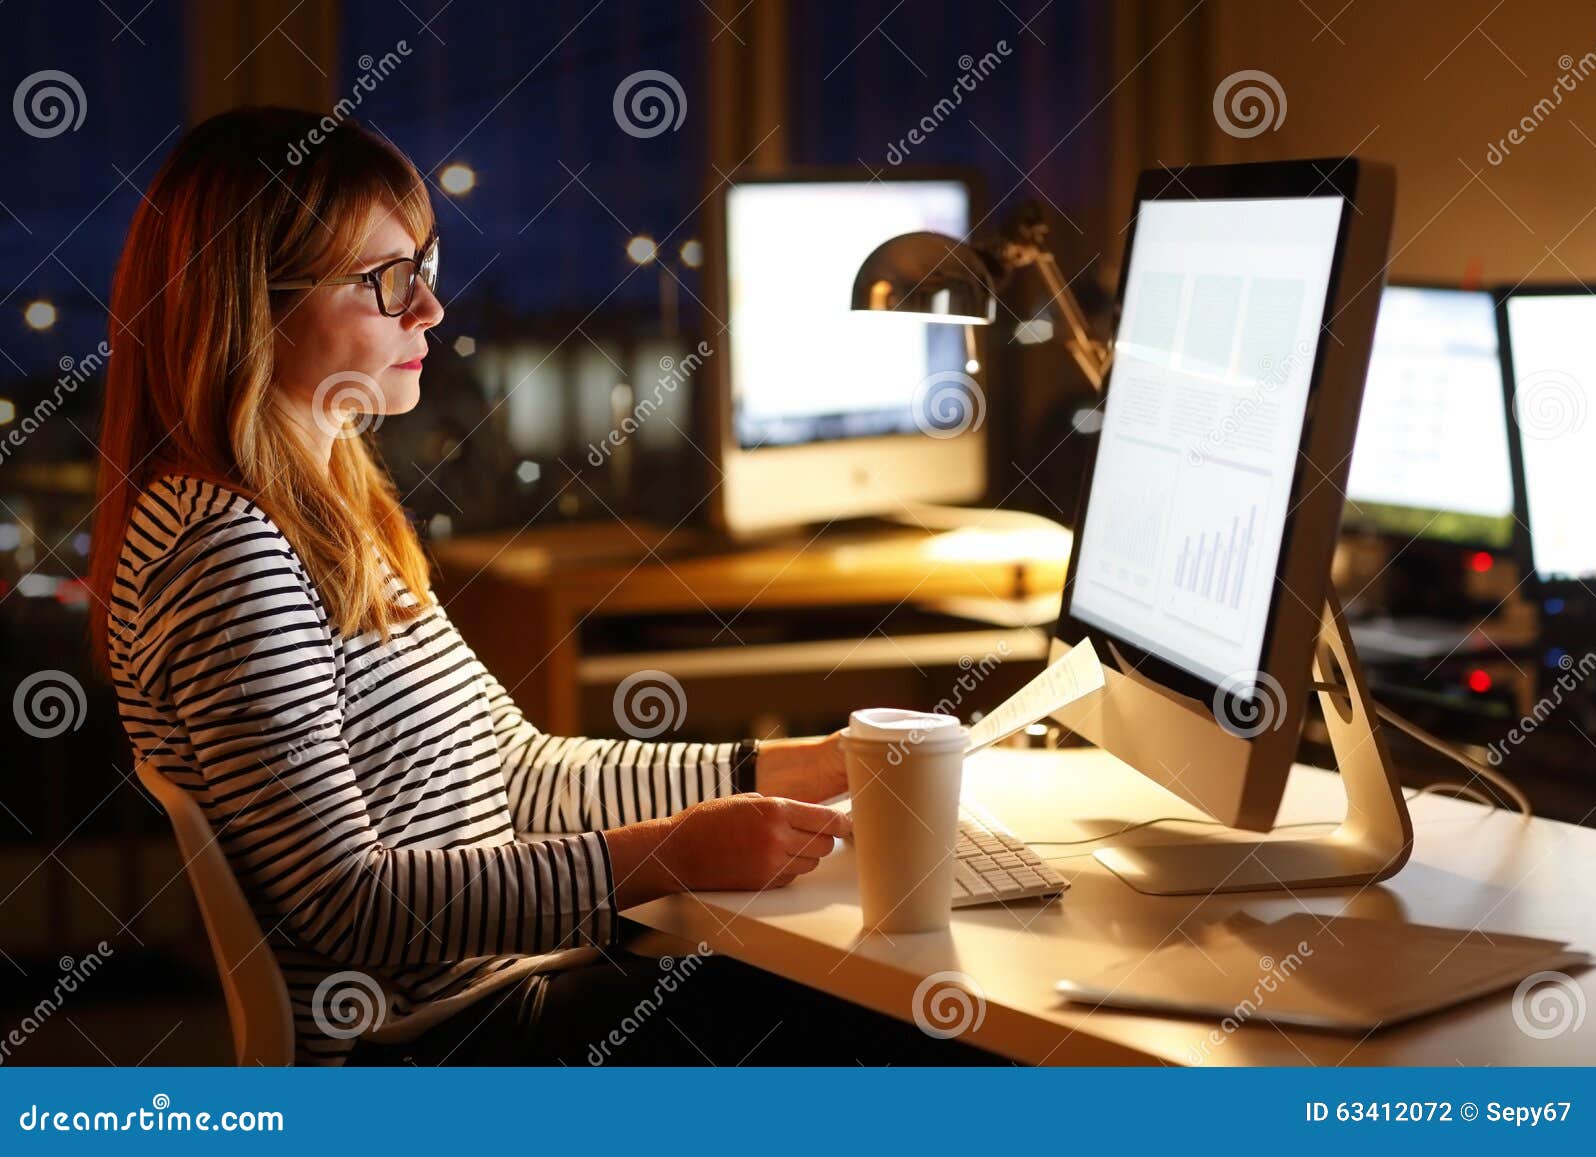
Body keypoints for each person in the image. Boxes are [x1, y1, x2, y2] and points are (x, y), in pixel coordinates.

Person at [86, 107, 997, 1067]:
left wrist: (780, 768)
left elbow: (510, 772)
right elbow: (346, 904)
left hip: (497, 1000)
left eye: (424, 272)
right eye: (386, 281)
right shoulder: (226, 549)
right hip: (439, 1050)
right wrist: (672, 853)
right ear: (251, 305)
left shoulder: (326, 507)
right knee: (917, 1015)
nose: (429, 311)